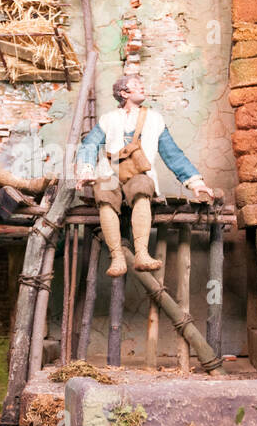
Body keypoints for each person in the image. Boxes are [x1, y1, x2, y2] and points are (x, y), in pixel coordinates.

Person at [75, 75, 213, 277]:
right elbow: (89, 145)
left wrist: (195, 183)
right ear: (124, 93)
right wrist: (86, 170)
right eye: (136, 85)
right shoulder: (108, 119)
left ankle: (142, 254)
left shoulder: (155, 119)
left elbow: (172, 154)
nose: (142, 87)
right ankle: (117, 258)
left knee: (142, 188)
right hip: (109, 172)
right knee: (104, 195)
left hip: (139, 172)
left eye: (142, 83)